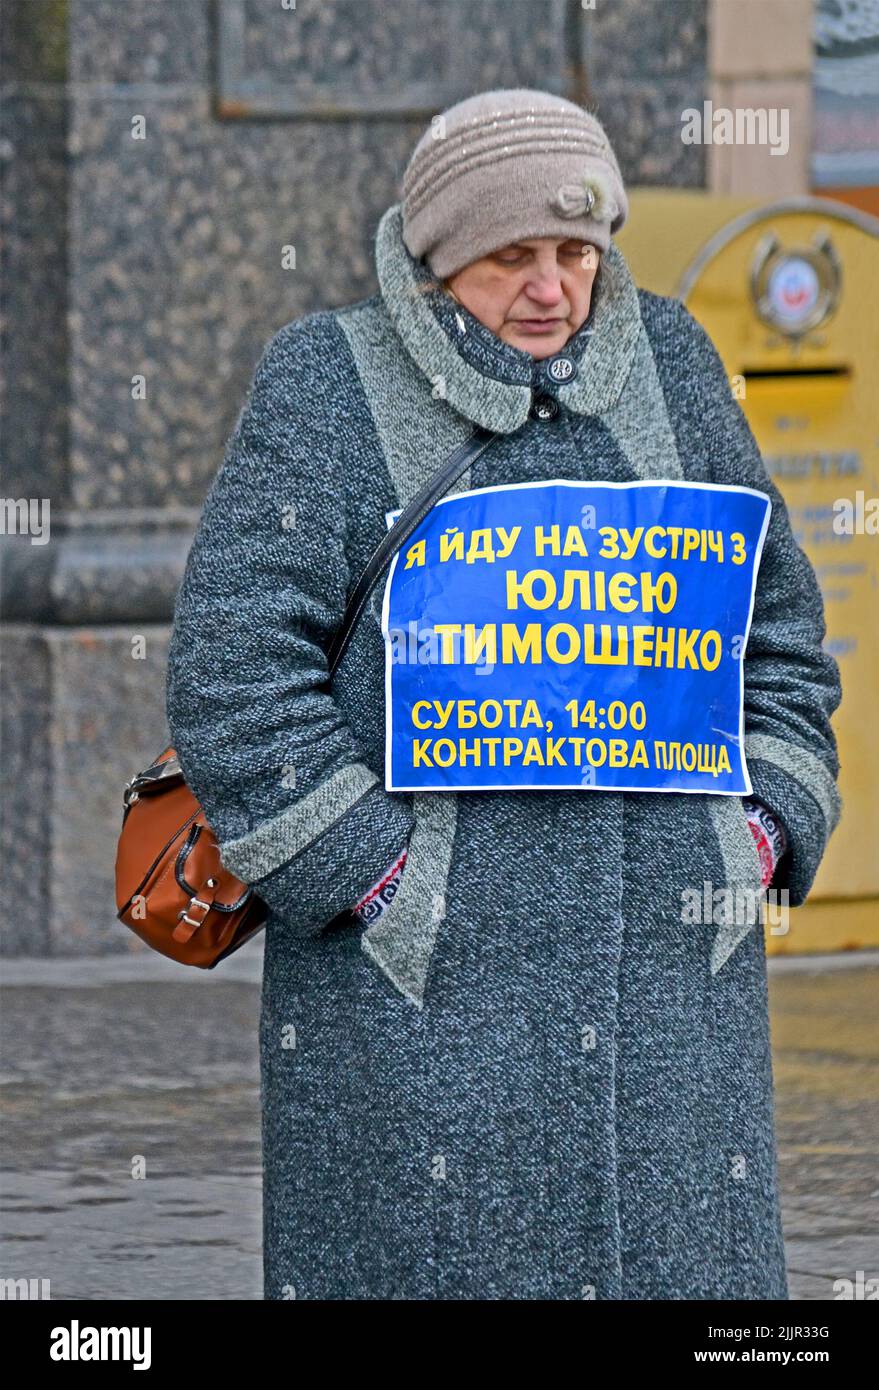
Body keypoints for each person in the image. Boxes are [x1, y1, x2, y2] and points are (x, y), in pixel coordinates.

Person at [165, 88, 842, 1300]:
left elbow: (779, 632)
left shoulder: (674, 367)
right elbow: (236, 667)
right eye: (510, 257)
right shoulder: (332, 384)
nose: (552, 288)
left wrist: (758, 832)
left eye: (577, 252)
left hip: (671, 1001)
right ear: (437, 263)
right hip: (422, 994)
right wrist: (385, 881)